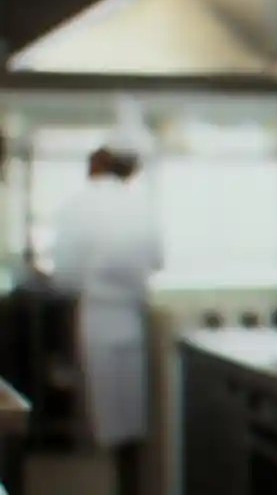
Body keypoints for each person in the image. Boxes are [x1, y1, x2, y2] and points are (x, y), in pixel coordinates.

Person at [49, 129, 163, 495]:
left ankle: (109, 481)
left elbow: (64, 277)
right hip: (132, 318)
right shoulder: (140, 204)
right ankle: (130, 481)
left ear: (96, 165)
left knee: (105, 417)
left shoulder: (77, 206)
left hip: (97, 318)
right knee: (132, 417)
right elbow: (158, 259)